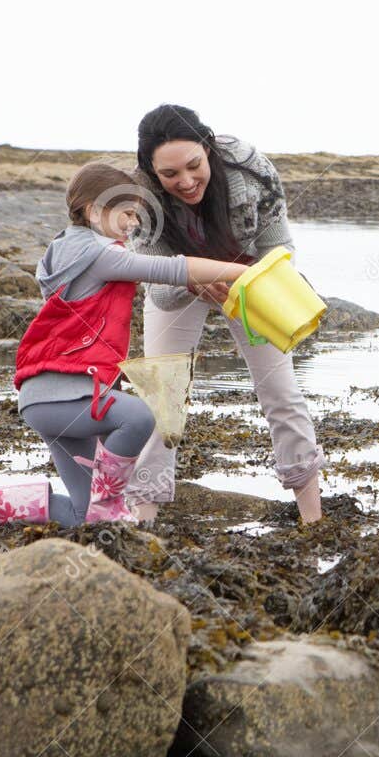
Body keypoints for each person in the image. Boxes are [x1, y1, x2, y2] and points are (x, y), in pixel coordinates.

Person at [0, 163, 249, 545]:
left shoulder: (62, 252)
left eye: (137, 214)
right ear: (92, 210)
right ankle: (111, 501)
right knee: (140, 416)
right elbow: (172, 269)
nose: (134, 223)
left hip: (48, 399)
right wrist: (243, 272)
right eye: (127, 212)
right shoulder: (100, 256)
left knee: (84, 517)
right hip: (65, 396)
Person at [126, 104, 327, 522]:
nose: (185, 181)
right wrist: (192, 280)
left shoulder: (249, 168)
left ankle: (313, 520)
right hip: (179, 284)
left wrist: (253, 281)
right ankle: (142, 523)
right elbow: (157, 292)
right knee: (162, 396)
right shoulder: (138, 198)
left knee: (282, 393)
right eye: (170, 175)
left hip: (250, 282)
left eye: (194, 165)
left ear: (209, 147)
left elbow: (280, 247)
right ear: (151, 171)